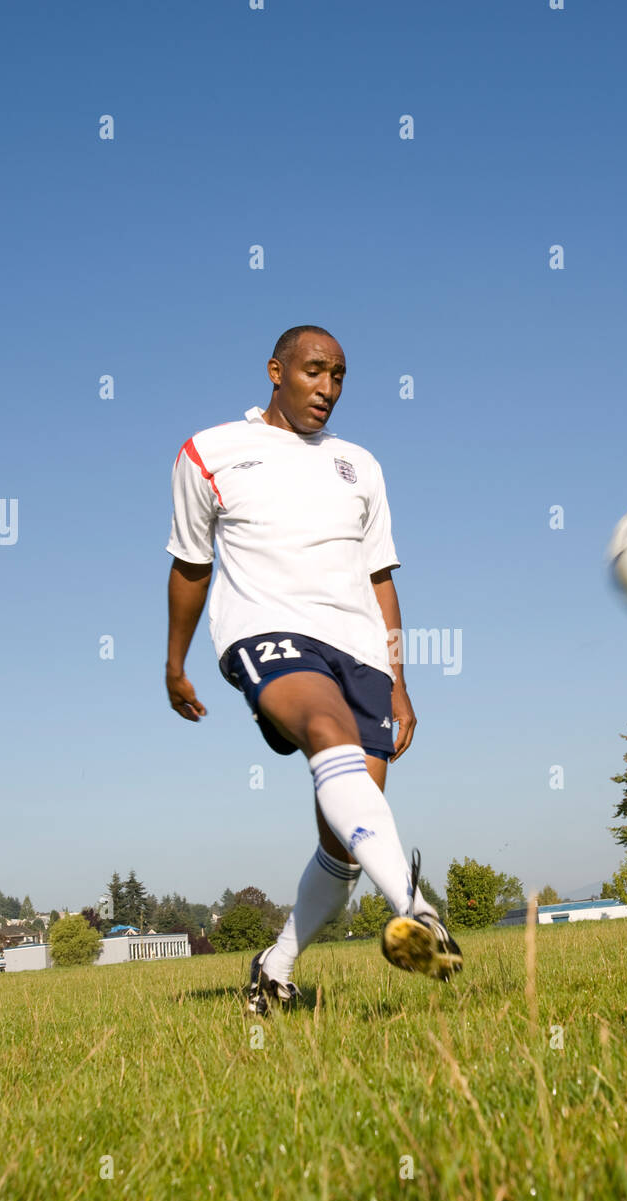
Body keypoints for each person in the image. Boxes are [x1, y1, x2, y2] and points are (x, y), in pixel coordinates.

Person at [164, 325, 462, 1013]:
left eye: (340, 377)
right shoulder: (209, 452)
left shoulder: (360, 464)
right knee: (328, 730)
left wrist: (400, 681)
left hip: (358, 649)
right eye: (314, 371)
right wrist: (176, 664)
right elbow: (190, 565)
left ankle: (276, 967)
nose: (327, 388)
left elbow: (381, 578)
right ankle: (417, 910)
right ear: (276, 370)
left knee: (347, 847)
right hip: (264, 632)